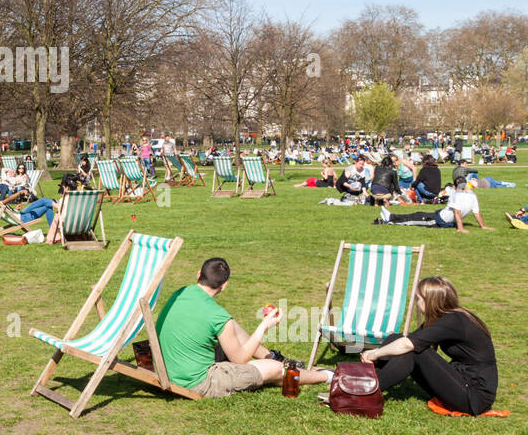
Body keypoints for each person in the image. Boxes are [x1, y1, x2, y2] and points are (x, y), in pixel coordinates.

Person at [154, 257, 333, 397]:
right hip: (197, 382)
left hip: (167, 370)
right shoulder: (217, 315)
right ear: (224, 286)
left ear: (199, 273)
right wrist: (264, 326)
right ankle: (325, 375)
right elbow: (239, 360)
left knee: (231, 325)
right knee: (274, 369)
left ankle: (273, 356)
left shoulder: (181, 292)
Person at [361, 276, 498, 415]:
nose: (416, 302)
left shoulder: (454, 320)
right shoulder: (444, 317)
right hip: (460, 379)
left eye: (418, 298)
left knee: (414, 350)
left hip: (474, 397)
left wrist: (374, 354)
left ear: (430, 301)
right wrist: (376, 352)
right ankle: (365, 380)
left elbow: (408, 345)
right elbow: (405, 340)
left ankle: (364, 391)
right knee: (395, 338)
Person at [377, 176, 491, 232]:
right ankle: (390, 217)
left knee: (414, 220)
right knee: (418, 213)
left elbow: (457, 212)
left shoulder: (456, 195)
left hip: (441, 220)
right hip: (441, 214)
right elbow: (477, 213)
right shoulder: (472, 195)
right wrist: (483, 226)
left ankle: (390, 219)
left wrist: (460, 228)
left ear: (455, 186)